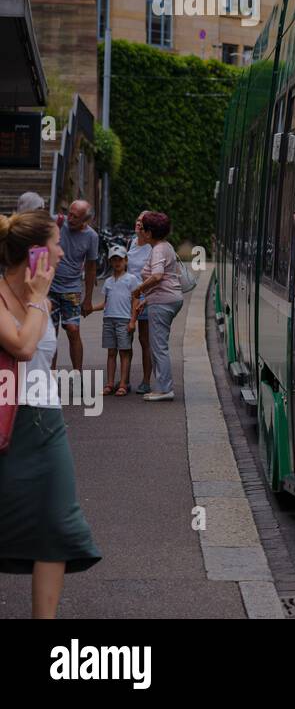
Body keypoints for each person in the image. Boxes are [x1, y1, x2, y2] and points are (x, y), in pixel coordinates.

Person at [0, 210, 101, 617]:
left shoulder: (39, 296)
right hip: (8, 422)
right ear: (37, 253)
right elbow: (23, 346)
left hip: (46, 421)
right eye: (56, 243)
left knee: (57, 524)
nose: (63, 251)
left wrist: (39, 297)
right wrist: (40, 297)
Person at [132, 211, 182, 402]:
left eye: (143, 229)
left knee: (158, 346)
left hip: (163, 301)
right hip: (165, 299)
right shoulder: (165, 246)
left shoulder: (159, 249)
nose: (140, 231)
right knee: (158, 345)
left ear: (149, 232)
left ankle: (164, 389)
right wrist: (147, 299)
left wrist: (138, 290)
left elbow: (158, 275)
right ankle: (163, 386)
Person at [48, 200, 97, 373]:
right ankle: (50, 378)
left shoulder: (91, 237)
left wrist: (88, 299)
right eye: (69, 213)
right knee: (50, 334)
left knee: (73, 330)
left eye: (75, 217)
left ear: (85, 220)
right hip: (50, 288)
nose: (70, 218)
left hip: (72, 289)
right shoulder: (57, 222)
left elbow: (91, 267)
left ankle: (77, 376)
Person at [93, 246, 138, 397]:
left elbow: (135, 302)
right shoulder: (108, 282)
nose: (117, 262)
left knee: (124, 352)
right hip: (109, 320)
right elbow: (105, 303)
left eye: (120, 259)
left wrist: (133, 321)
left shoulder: (131, 280)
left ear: (126, 261)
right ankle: (110, 383)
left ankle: (123, 383)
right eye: (114, 260)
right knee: (111, 352)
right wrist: (90, 308)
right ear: (110, 262)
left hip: (124, 320)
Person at [126, 212, 153, 394]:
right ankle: (124, 380)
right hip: (126, 296)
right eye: (137, 219)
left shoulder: (153, 248)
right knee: (125, 339)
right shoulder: (131, 243)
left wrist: (144, 294)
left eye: (142, 222)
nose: (138, 223)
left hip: (144, 296)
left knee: (144, 340)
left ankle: (146, 380)